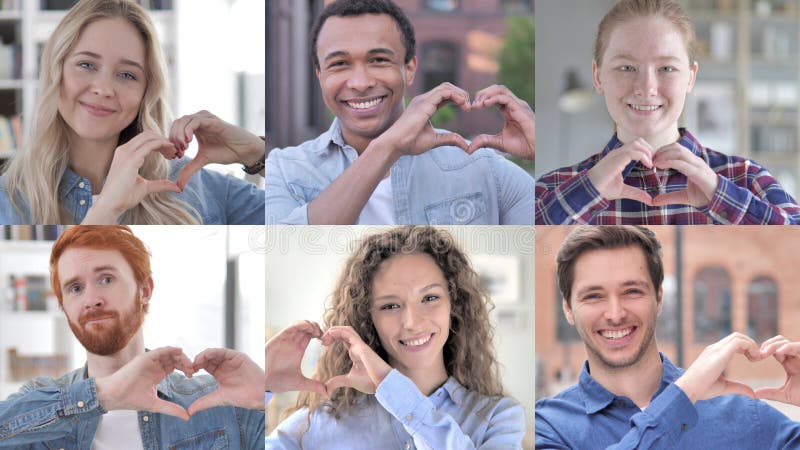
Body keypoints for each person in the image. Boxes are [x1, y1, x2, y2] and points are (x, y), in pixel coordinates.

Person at [265, 0, 534, 225]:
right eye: (339, 64)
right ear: (320, 75)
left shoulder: (483, 168)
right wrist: (389, 147)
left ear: (409, 69)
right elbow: (286, 251)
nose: (360, 83)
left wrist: (539, 149)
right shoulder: (287, 169)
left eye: (378, 60)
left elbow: (550, 234)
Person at [0, 0, 265, 225]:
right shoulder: (7, 198)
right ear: (55, 71)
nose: (104, 89)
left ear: (146, 93)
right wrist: (106, 210)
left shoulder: (201, 190)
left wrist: (256, 152)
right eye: (86, 64)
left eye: (127, 74)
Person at [535, 0, 800, 225]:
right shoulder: (551, 188)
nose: (646, 88)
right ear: (597, 76)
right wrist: (585, 192)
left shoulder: (746, 178)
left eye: (666, 68)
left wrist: (720, 195)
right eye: (626, 68)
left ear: (690, 78)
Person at [535, 226, 800, 449]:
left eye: (632, 291)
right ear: (568, 308)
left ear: (659, 298)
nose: (615, 314)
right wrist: (684, 395)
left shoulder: (744, 415)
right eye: (593, 296)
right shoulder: (548, 427)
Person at [0, 226, 265, 448]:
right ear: (63, 306)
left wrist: (264, 399)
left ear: (144, 290)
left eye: (106, 279)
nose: (91, 300)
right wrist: (103, 395)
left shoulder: (223, 402)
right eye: (76, 288)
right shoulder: (36, 404)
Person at [264, 227, 525, 448]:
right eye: (390, 306)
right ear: (368, 318)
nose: (412, 323)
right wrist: (261, 387)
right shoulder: (320, 422)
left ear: (453, 304)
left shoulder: (497, 417)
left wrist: (392, 388)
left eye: (430, 298)